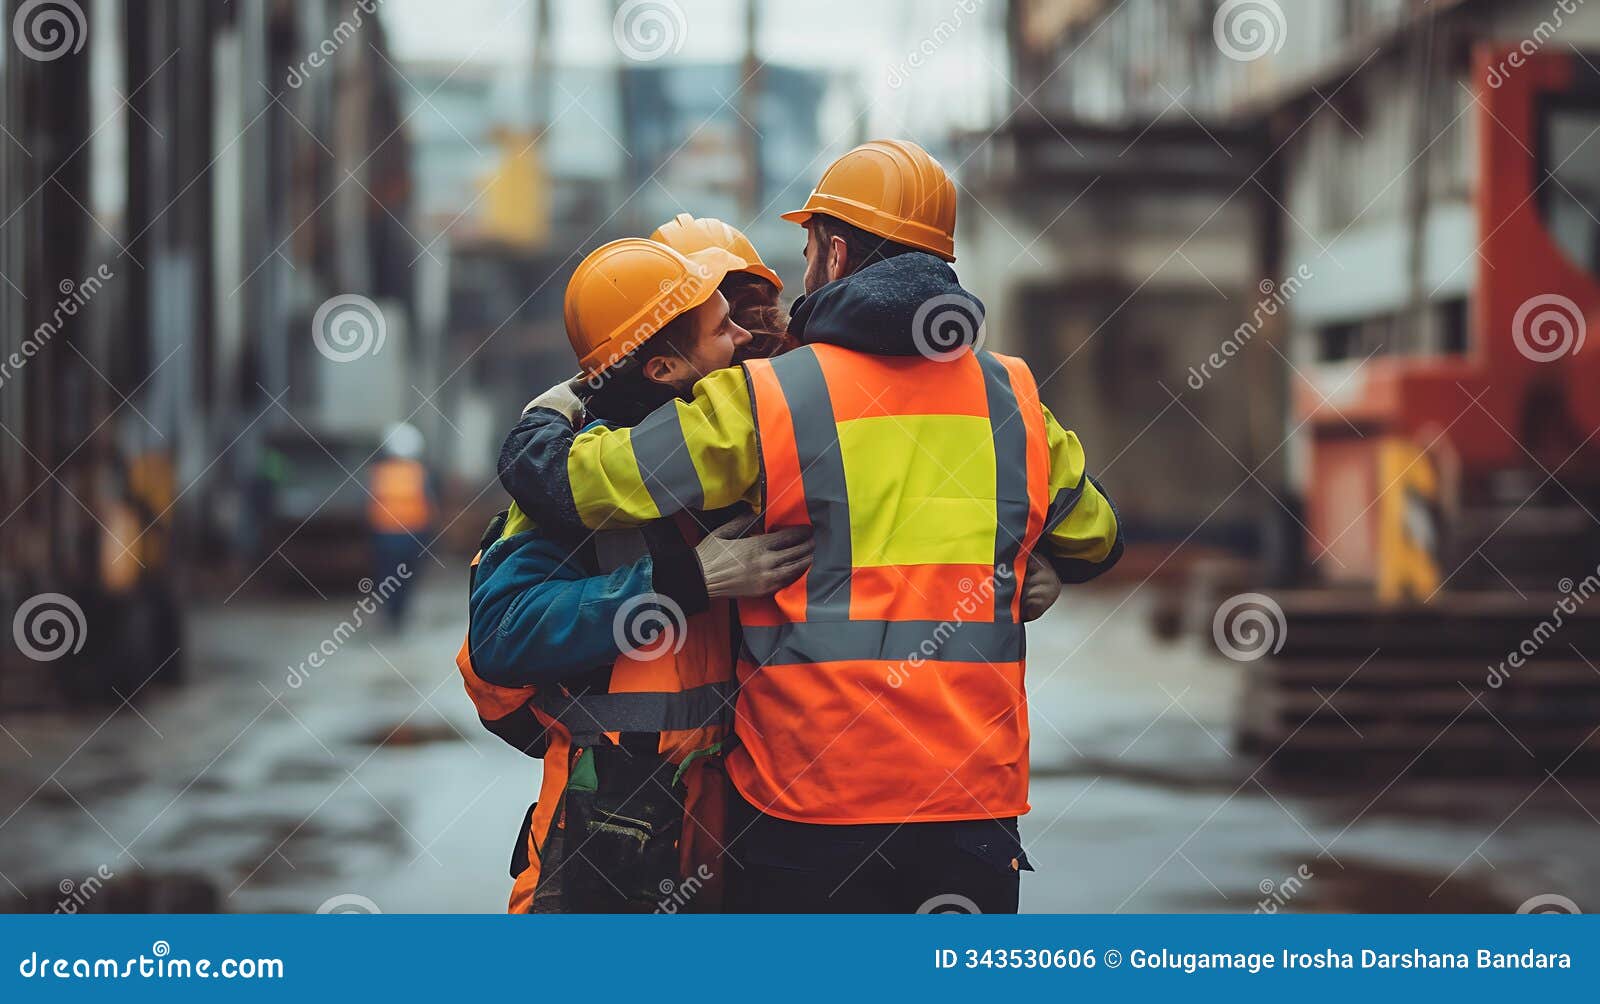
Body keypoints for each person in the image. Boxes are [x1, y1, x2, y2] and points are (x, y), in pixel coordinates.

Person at [498, 140, 1121, 914]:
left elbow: (580, 482)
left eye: (806, 251)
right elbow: (1096, 539)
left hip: (809, 809)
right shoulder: (1012, 395)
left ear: (836, 251)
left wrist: (548, 413)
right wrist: (1033, 562)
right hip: (972, 812)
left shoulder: (770, 398)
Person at [457, 236, 813, 913]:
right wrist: (682, 582)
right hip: (605, 837)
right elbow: (501, 637)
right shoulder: (584, 481)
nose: (744, 339)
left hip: (722, 832)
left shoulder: (736, 466)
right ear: (662, 369)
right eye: (723, 326)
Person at [367, 422, 434, 630]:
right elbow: (430, 504)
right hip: (410, 536)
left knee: (388, 576)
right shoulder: (419, 472)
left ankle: (391, 614)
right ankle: (397, 615)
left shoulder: (380, 472)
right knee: (404, 577)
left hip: (387, 536)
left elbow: (368, 504)